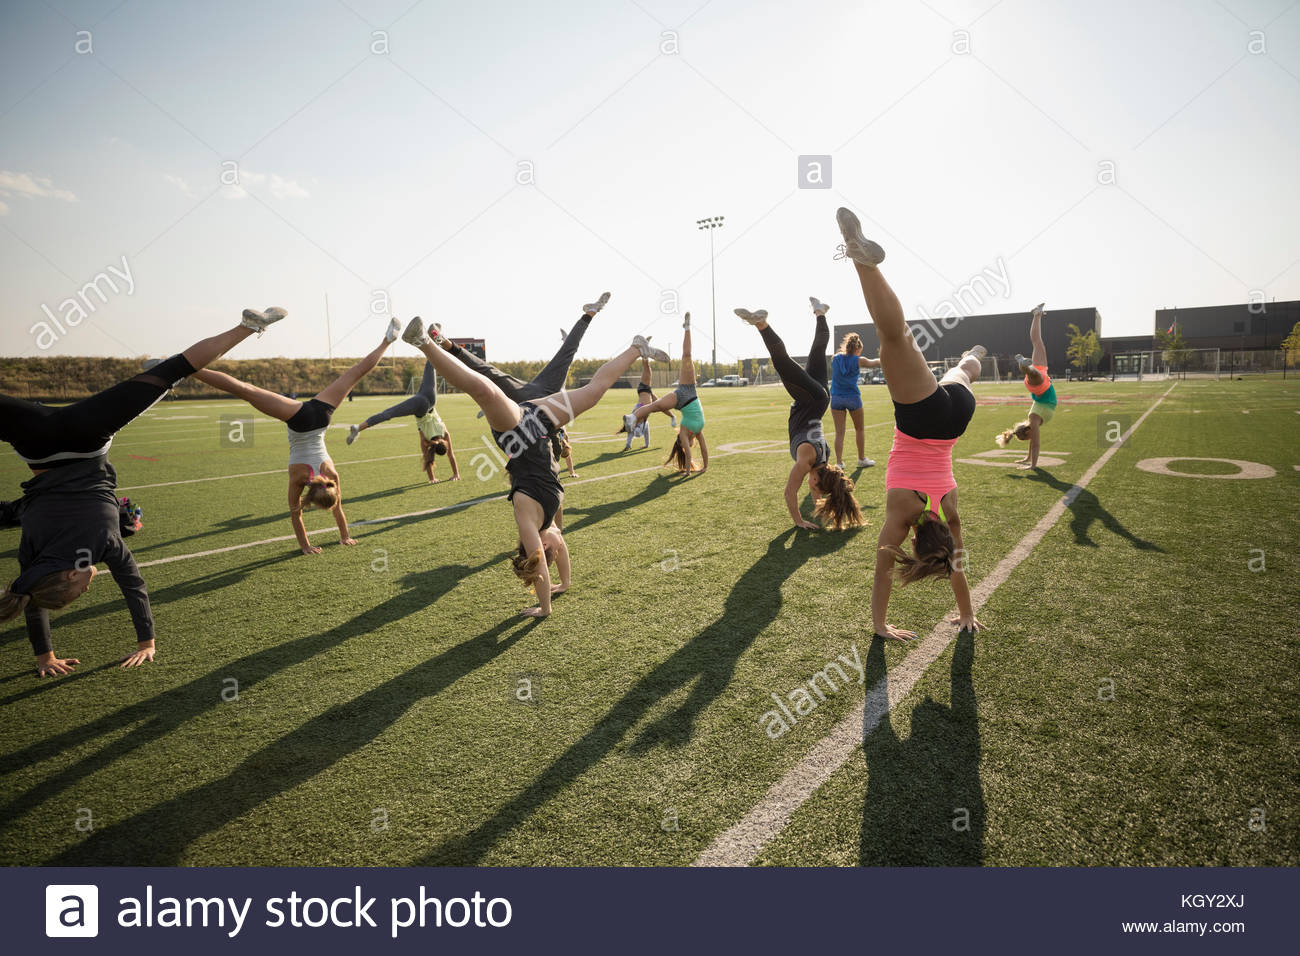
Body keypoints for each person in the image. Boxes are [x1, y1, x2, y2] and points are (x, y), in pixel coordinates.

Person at [0, 307, 286, 676]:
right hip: (36, 441)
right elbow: (32, 597)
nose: (86, 592)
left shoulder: (105, 542)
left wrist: (147, 643)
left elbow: (134, 588)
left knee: (173, 369)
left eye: (78, 594)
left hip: (87, 438)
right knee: (169, 370)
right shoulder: (35, 562)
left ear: (73, 574)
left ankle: (249, 327)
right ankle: (248, 326)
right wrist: (44, 657)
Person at [401, 315, 665, 616]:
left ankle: (423, 342)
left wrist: (545, 608)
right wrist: (564, 584)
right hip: (540, 420)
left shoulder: (526, 515)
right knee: (593, 394)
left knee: (486, 391)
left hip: (515, 432)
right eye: (556, 546)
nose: (558, 543)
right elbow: (557, 551)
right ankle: (635, 348)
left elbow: (539, 558)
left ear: (536, 544)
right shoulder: (551, 522)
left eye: (550, 546)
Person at [836, 206, 986, 641]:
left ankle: (971, 357)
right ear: (916, 542)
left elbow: (957, 566)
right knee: (895, 337)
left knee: (962, 374)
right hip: (921, 417)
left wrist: (967, 613)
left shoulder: (952, 513)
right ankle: (859, 258)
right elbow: (883, 574)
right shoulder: (902, 515)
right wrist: (879, 625)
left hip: (957, 417)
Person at [190, 318, 399, 555]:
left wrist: (345, 535)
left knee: (356, 372)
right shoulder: (299, 479)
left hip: (321, 417)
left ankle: (386, 341)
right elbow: (296, 514)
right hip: (298, 420)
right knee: (246, 391)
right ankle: (187, 369)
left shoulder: (332, 477)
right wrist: (305, 546)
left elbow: (337, 507)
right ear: (310, 495)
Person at [736, 302, 864, 531]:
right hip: (811, 400)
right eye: (816, 486)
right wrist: (798, 521)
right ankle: (761, 323)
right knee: (782, 363)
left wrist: (822, 507)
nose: (812, 487)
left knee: (817, 351)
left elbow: (816, 486)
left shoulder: (825, 458)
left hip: (821, 398)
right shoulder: (806, 458)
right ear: (818, 478)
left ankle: (820, 313)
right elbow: (789, 492)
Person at [346, 360, 460, 483]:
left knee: (431, 363)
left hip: (430, 399)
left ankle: (431, 342)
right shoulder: (426, 442)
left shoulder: (445, 434)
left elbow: (451, 455)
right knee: (389, 413)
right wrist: (432, 479)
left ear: (444, 442)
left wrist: (456, 473)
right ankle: (358, 428)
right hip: (419, 408)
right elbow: (427, 457)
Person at [624, 313, 707, 474]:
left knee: (655, 406)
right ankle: (687, 328)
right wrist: (706, 467)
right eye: (689, 444)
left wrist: (689, 471)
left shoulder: (684, 431)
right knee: (687, 356)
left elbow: (689, 452)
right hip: (689, 389)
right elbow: (704, 449)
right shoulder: (698, 431)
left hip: (680, 399)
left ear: (683, 445)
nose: (689, 445)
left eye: (685, 446)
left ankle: (632, 417)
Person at [996, 303, 1058, 469]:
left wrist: (1032, 466)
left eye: (1029, 437)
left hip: (1040, 388)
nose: (1032, 439)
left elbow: (1036, 444)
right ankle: (1036, 315)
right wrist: (1027, 458)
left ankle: (1025, 366)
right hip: (1041, 387)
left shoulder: (1034, 419)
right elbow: (1033, 443)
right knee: (1038, 344)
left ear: (1027, 431)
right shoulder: (1032, 421)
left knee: (1035, 375)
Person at [828, 317, 881, 469]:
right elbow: (875, 362)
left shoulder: (835, 358)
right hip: (852, 398)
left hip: (836, 398)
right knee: (859, 429)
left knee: (839, 433)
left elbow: (840, 357)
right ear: (858, 349)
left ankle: (839, 463)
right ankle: (861, 458)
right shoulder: (859, 359)